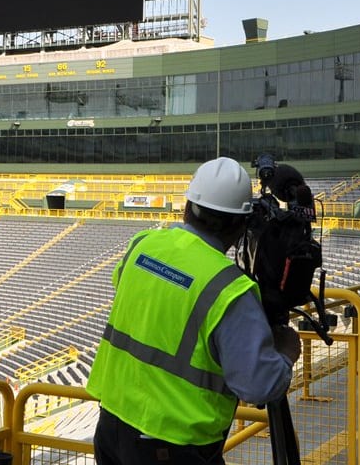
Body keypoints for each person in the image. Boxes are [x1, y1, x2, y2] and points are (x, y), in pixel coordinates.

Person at [86, 156, 302, 464]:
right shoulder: (229, 289)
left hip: (112, 428)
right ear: (240, 226)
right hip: (174, 446)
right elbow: (258, 386)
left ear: (188, 207)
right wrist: (284, 353)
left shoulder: (142, 244)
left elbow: (136, 291)